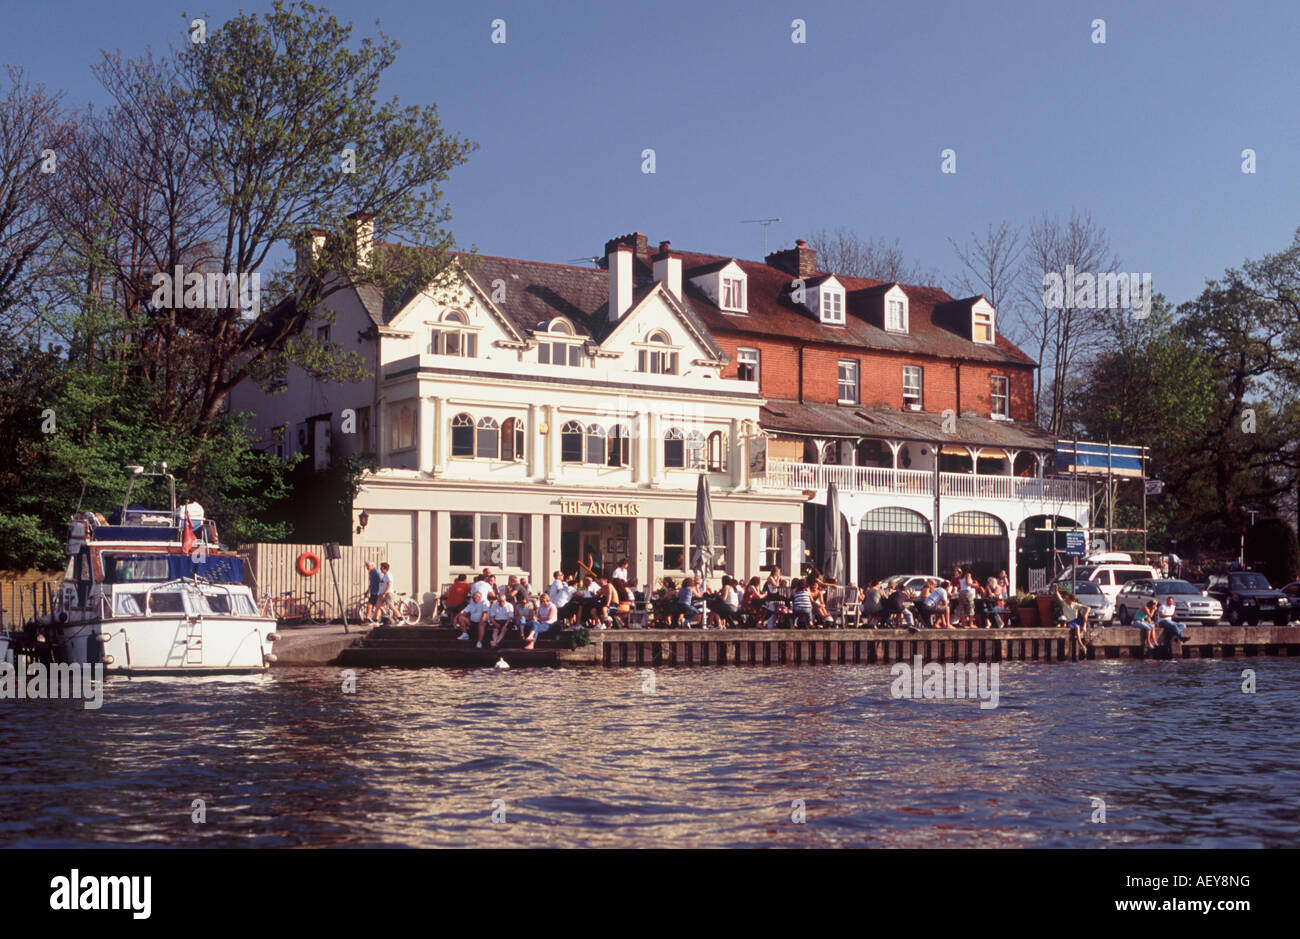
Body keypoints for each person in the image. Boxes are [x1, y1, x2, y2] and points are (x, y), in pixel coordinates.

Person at [1052, 583, 1090, 656]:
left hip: (1077, 620)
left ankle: (1084, 626)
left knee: (1085, 613)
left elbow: (1088, 608)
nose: (1066, 599)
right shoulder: (1064, 604)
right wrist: (1056, 590)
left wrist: (1087, 612)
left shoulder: (1075, 604)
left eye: (1068, 599)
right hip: (1070, 622)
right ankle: (1080, 644)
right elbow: (1058, 596)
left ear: (1071, 600)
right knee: (1077, 627)